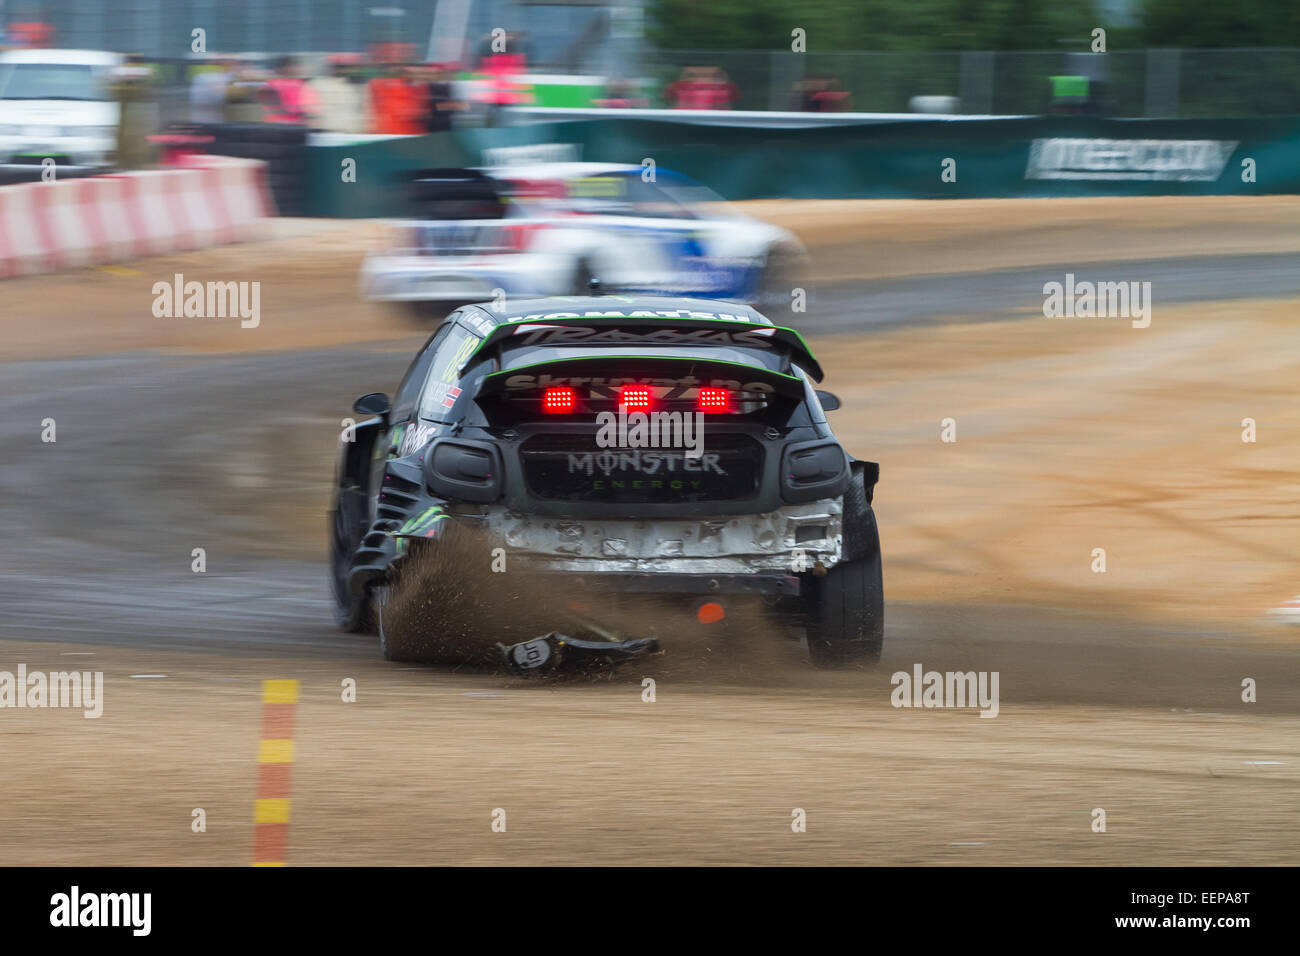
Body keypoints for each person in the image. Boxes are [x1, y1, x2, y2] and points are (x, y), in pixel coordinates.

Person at [263, 55, 320, 125]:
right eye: (294, 66)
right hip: (280, 126)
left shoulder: (301, 85)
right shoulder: (272, 84)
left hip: (291, 127)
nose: (297, 69)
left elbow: (311, 111)